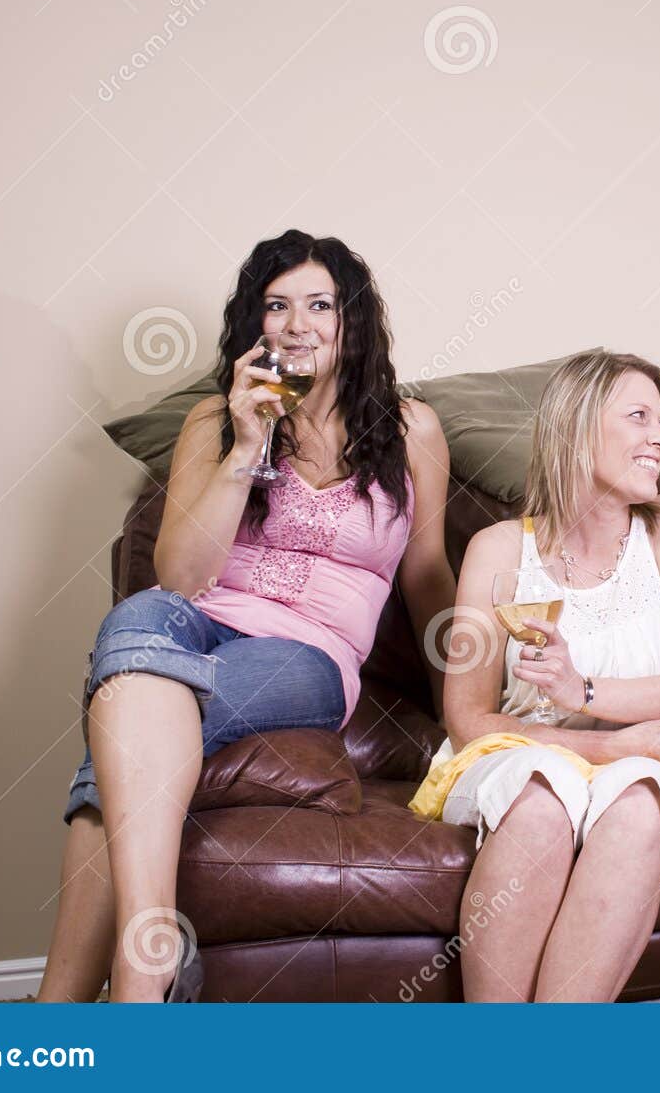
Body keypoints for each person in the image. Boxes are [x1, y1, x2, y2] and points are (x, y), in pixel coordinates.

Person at [37, 230, 455, 1002]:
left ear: (351, 321)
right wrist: (245, 447)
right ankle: (144, 964)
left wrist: (466, 704)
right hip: (192, 626)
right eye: (277, 305)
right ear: (254, 326)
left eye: (319, 304)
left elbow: (428, 577)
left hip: (306, 655)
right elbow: (178, 580)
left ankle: (78, 998)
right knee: (138, 627)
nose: (298, 324)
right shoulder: (213, 423)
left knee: (118, 739)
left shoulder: (411, 431)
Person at [409, 350, 660, 1002]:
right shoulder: (497, 550)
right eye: (638, 416)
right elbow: (468, 719)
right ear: (579, 430)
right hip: (523, 754)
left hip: (651, 763)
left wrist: (583, 691)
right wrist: (606, 742)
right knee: (543, 792)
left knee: (638, 799)